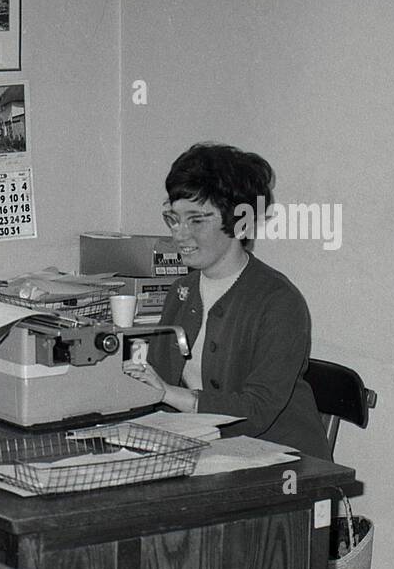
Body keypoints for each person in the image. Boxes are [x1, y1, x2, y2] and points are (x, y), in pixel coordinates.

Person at [123, 143, 331, 461]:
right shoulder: (182, 290)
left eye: (196, 220)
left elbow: (256, 411)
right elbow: (155, 383)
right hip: (206, 452)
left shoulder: (279, 302)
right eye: (173, 219)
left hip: (280, 467)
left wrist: (168, 392)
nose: (179, 234)